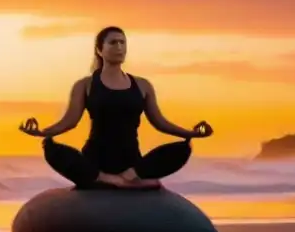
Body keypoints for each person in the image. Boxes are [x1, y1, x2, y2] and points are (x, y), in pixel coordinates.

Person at [19, 25, 213, 189]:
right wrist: (41, 132)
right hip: (95, 161)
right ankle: (107, 179)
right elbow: (69, 121)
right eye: (113, 42)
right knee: (51, 148)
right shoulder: (85, 85)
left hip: (132, 162)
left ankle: (130, 176)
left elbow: (160, 122)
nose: (119, 47)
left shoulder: (142, 85)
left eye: (122, 43)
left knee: (183, 149)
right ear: (99, 50)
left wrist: (190, 133)